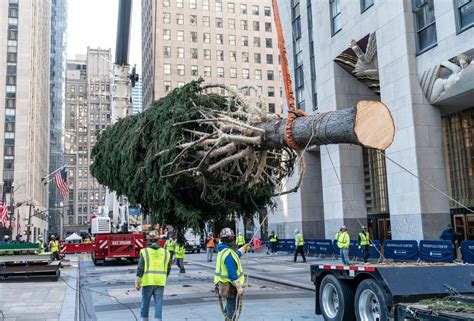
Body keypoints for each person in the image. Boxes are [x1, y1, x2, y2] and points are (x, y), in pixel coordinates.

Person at [214, 228, 250, 320]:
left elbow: (235, 255)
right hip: (230, 286)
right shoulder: (228, 253)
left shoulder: (223, 250)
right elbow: (232, 273)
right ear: (228, 239)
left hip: (225, 285)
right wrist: (238, 287)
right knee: (232, 307)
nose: (233, 239)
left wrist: (243, 249)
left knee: (230, 306)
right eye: (231, 237)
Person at [135, 236, 171, 321]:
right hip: (160, 282)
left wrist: (138, 282)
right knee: (158, 303)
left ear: (149, 242)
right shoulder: (166, 253)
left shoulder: (145, 252)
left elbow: (140, 268)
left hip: (148, 281)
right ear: (158, 242)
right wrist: (163, 277)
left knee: (145, 302)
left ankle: (144, 319)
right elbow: (168, 268)